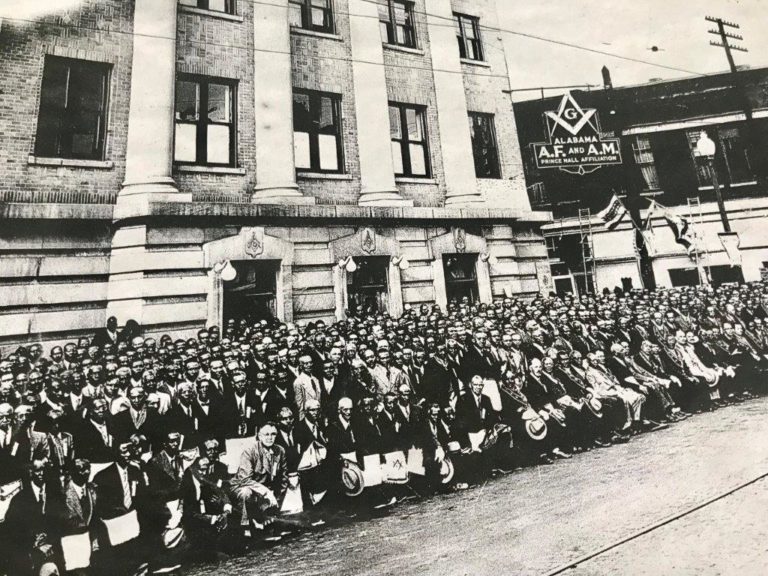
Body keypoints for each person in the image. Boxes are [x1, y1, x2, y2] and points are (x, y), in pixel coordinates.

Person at [230, 423, 287, 533]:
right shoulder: (249, 451)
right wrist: (266, 493)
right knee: (245, 492)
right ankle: (245, 528)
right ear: (259, 436)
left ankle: (267, 522)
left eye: (273, 434)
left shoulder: (280, 451)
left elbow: (283, 478)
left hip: (266, 489)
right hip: (244, 486)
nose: (270, 438)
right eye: (266, 434)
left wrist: (278, 499)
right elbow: (244, 480)